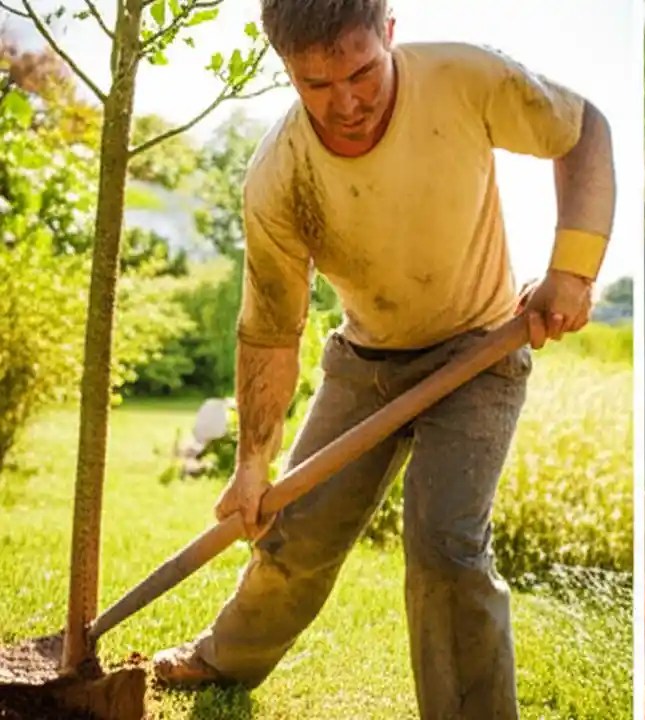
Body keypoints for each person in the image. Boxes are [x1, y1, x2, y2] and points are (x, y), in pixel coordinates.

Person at [150, 2, 615, 719]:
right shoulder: (279, 174)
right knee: (294, 532)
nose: (347, 103)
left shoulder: (463, 76)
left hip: (478, 352)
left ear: (389, 32)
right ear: (287, 71)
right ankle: (224, 660)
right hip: (363, 360)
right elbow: (273, 329)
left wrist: (575, 269)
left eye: (362, 72)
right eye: (316, 85)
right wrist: (251, 464)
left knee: (443, 549)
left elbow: (583, 131)